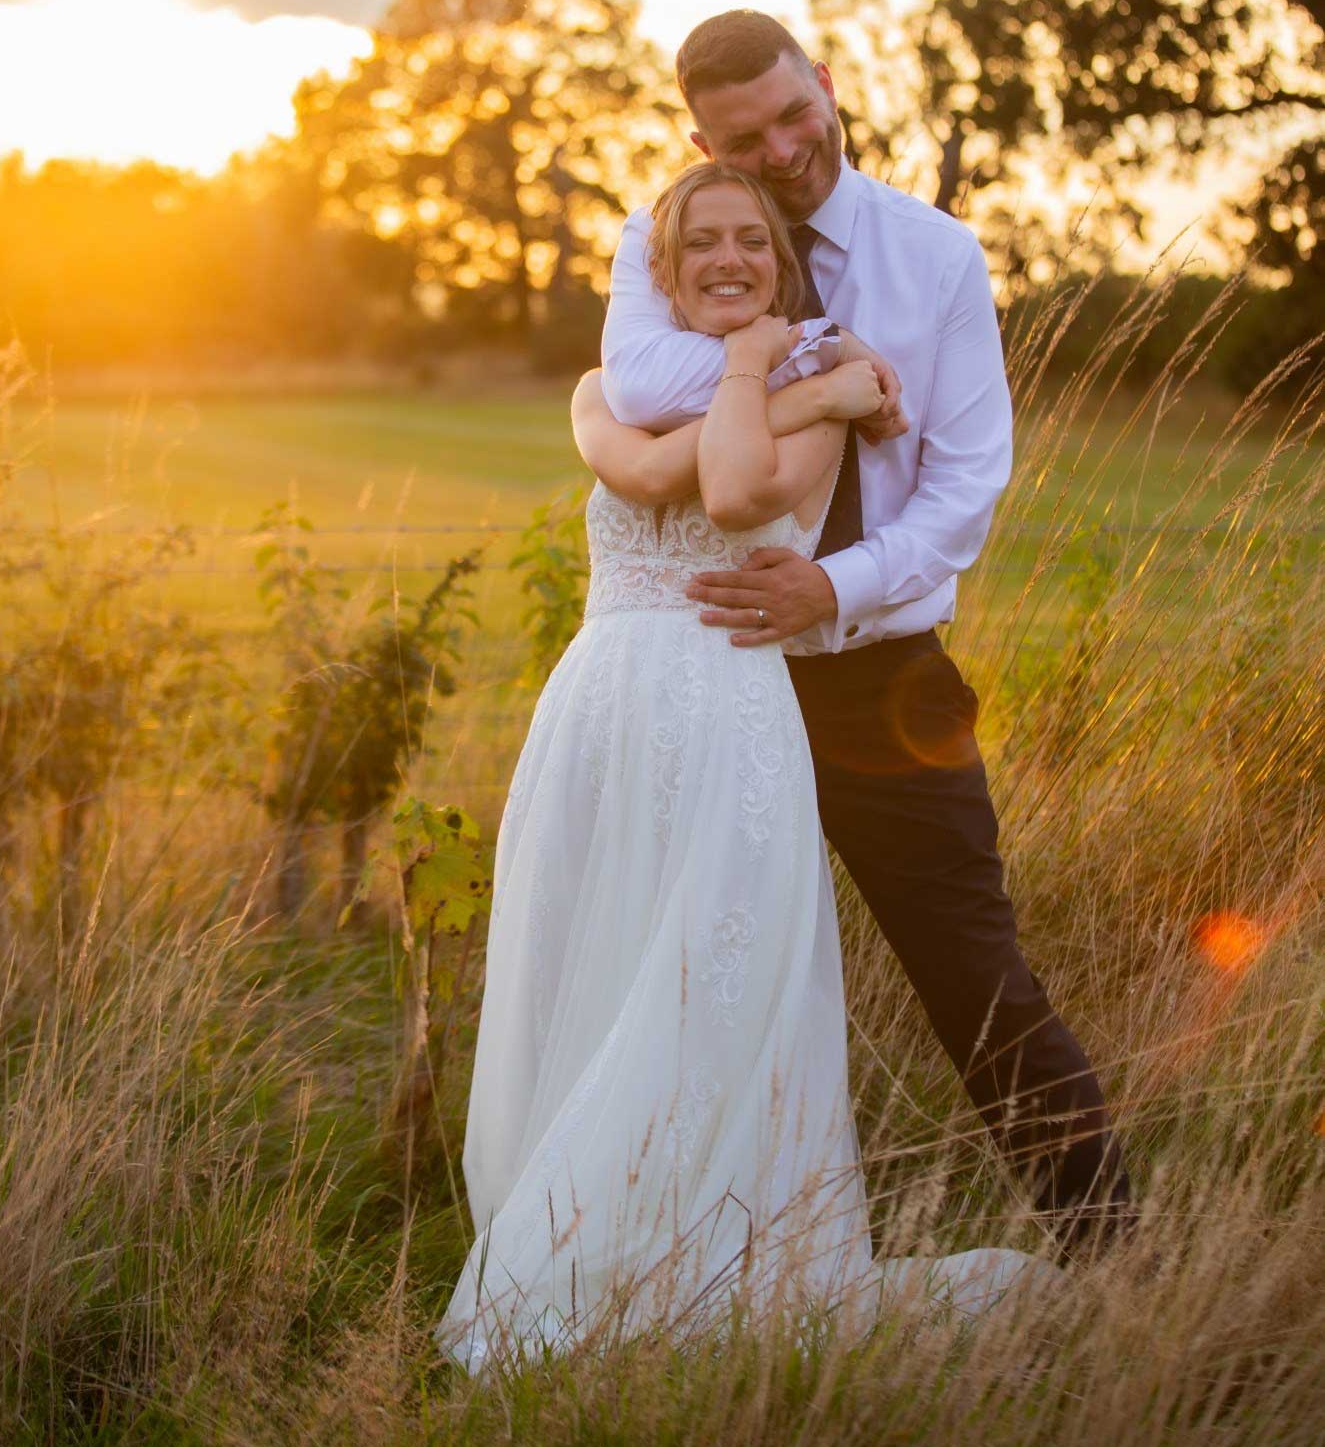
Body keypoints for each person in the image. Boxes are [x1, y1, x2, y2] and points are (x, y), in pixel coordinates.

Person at [437, 159, 1052, 1375]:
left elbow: (724, 490)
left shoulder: (822, 408)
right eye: (702, 243)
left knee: (705, 981)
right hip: (602, 712)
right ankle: (576, 1233)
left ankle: (682, 1254)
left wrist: (768, 375)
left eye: (753, 243)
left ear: (782, 266)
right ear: (661, 272)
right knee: (593, 963)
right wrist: (782, 375)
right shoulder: (623, 388)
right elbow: (640, 471)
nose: (729, 259)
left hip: (728, 713)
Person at [591, 8, 1132, 1261]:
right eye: (745, 139)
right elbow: (635, 386)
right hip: (712, 675)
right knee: (691, 978)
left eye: (797, 114)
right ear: (701, 144)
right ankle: (671, 1259)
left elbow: (964, 486)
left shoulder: (935, 255)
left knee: (975, 975)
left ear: (827, 82)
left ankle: (1116, 1255)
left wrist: (829, 587)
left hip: (880, 679)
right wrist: (830, 365)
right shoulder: (674, 236)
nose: (784, 151)